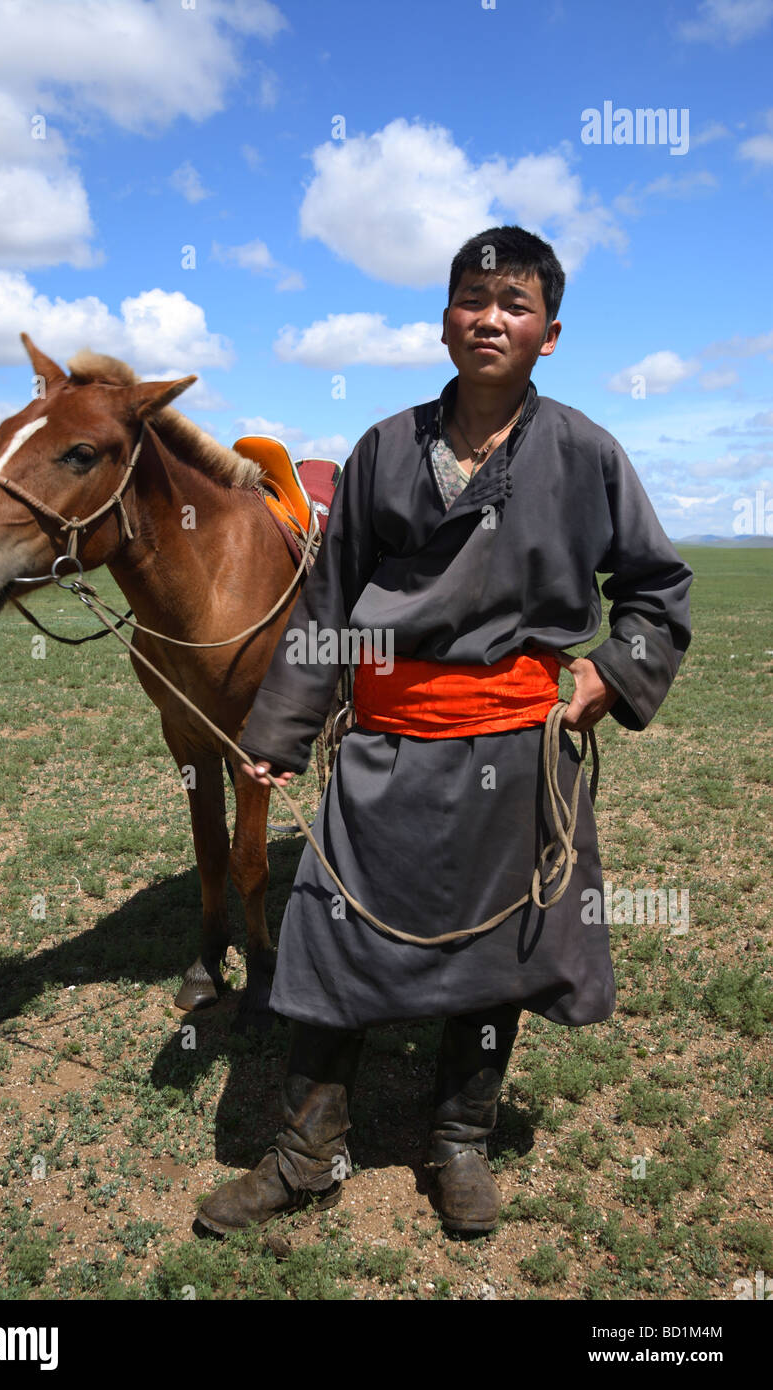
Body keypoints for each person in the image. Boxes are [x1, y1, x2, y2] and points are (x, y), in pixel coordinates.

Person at [196, 225, 693, 1237]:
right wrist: (282, 727)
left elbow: (656, 588)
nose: (490, 318)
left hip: (516, 750)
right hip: (382, 744)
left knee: (493, 950)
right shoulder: (383, 447)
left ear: (548, 333)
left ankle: (458, 1141)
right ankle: (305, 1151)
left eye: (513, 304)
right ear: (443, 321)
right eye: (473, 298)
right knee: (330, 937)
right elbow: (328, 607)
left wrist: (607, 669)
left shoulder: (588, 451)